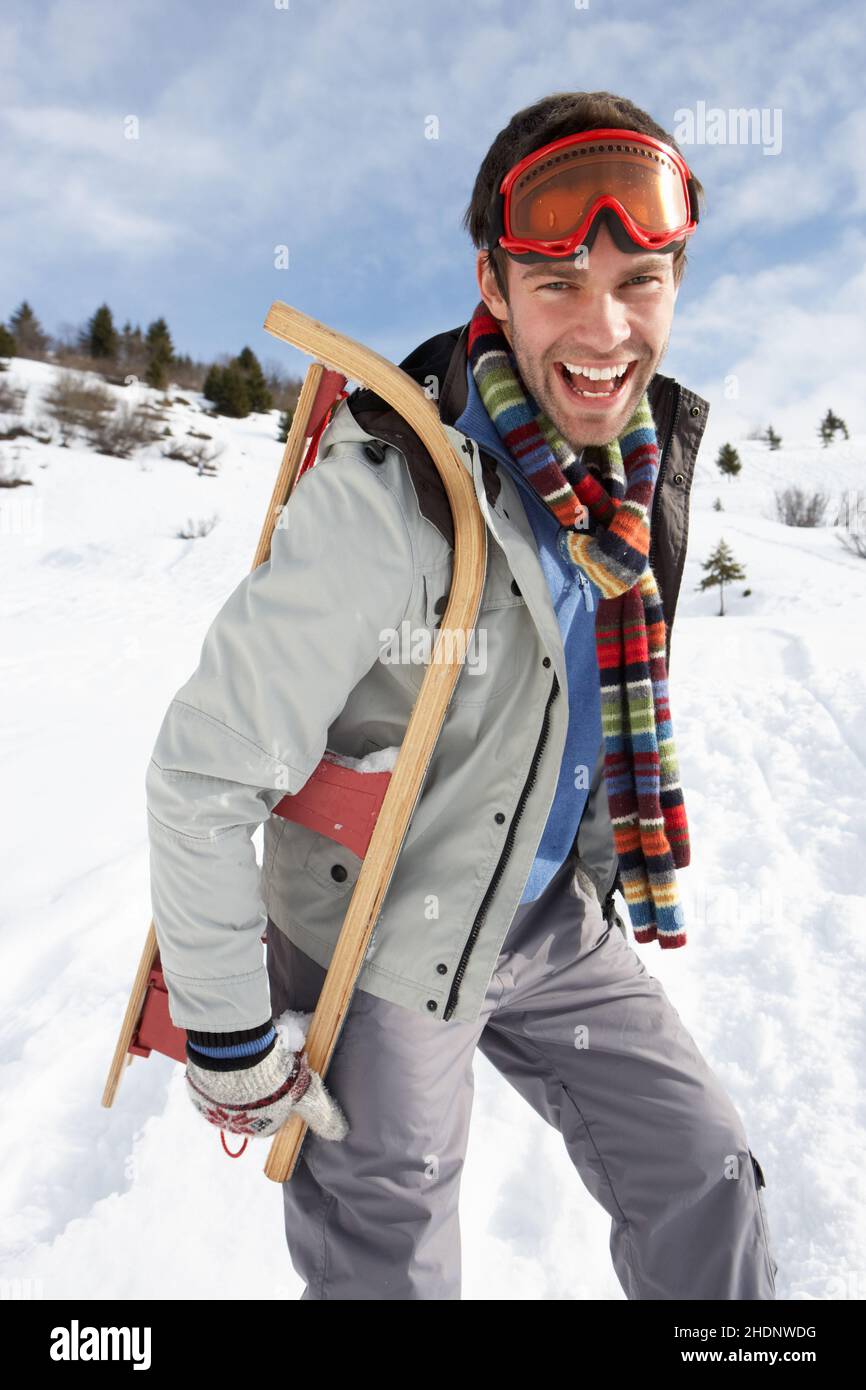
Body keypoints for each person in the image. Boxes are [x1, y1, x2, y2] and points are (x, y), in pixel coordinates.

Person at [146, 90, 779, 1299]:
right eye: (558, 284)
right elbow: (202, 770)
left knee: (705, 1174)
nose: (604, 328)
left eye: (639, 281)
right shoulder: (396, 485)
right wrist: (227, 1033)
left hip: (548, 917)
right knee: (391, 1255)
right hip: (389, 933)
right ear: (492, 281)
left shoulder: (631, 480)